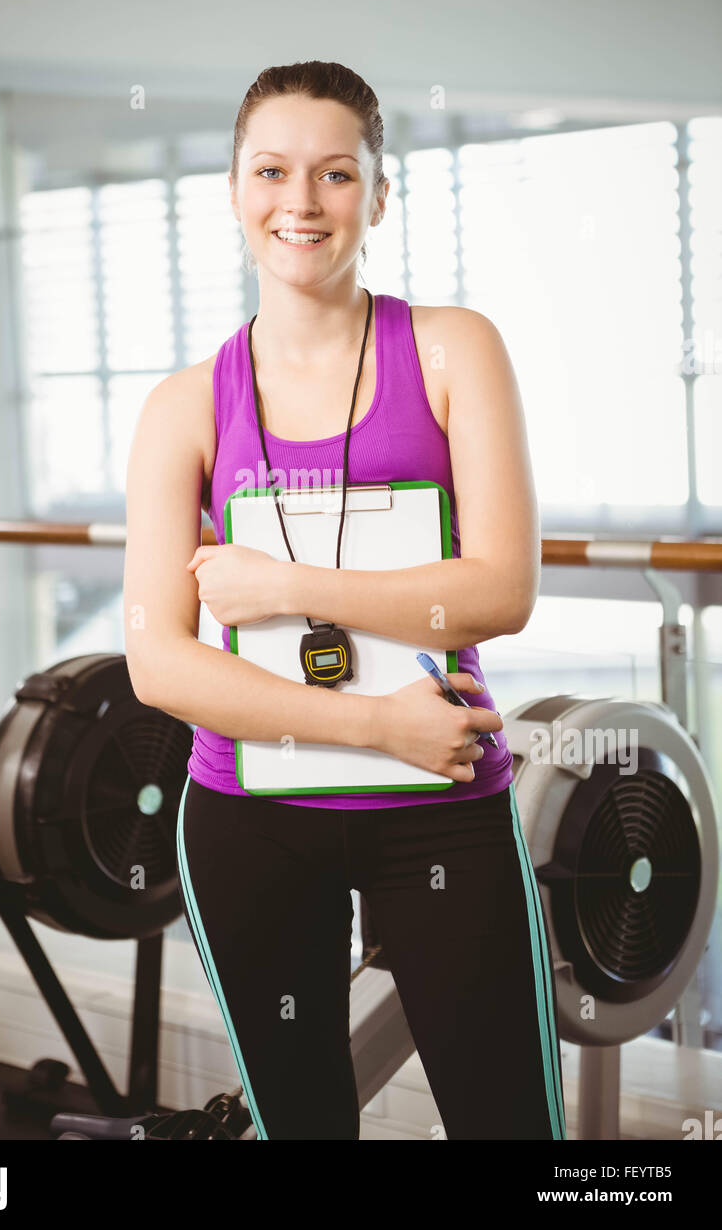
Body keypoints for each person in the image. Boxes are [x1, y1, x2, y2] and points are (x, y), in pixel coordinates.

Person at [123, 60, 567, 1141]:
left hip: (441, 807)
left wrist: (281, 586)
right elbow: (160, 665)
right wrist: (375, 723)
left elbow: (498, 590)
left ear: (377, 193)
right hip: (248, 823)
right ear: (233, 189)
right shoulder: (183, 406)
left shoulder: (453, 347)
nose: (300, 201)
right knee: (302, 1123)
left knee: (507, 1121)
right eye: (271, 171)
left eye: (334, 174)